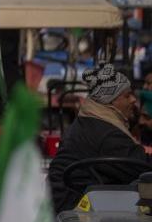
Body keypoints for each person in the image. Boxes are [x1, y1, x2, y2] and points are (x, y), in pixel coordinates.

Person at [49, 63, 152, 210]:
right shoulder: (106, 133)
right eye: (127, 96)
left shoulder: (89, 121)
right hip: (73, 208)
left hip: (62, 202)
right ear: (111, 100)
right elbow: (141, 166)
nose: (133, 100)